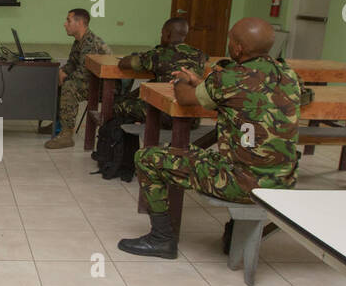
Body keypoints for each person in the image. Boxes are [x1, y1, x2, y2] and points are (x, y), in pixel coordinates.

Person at [119, 17, 307, 259]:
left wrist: (180, 80)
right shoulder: (289, 75)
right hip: (284, 182)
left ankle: (161, 239)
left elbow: (186, 97)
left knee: (147, 157)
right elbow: (256, 92)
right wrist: (204, 84)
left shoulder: (228, 78)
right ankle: (234, 232)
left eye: (230, 40)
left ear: (238, 48)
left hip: (241, 183)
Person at [112, 17, 207, 123]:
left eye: (162, 33)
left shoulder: (158, 54)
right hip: (192, 118)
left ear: (167, 34)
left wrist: (137, 56)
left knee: (118, 105)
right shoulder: (200, 54)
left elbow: (124, 64)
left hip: (165, 114)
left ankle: (127, 137)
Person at [47, 8, 112, 149]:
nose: (65, 24)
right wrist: (62, 72)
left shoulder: (91, 43)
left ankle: (66, 135)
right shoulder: (79, 41)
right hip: (91, 81)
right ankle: (58, 123)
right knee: (57, 77)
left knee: (70, 86)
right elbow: (72, 64)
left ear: (80, 23)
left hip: (104, 86)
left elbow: (84, 74)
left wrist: (65, 77)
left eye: (68, 20)